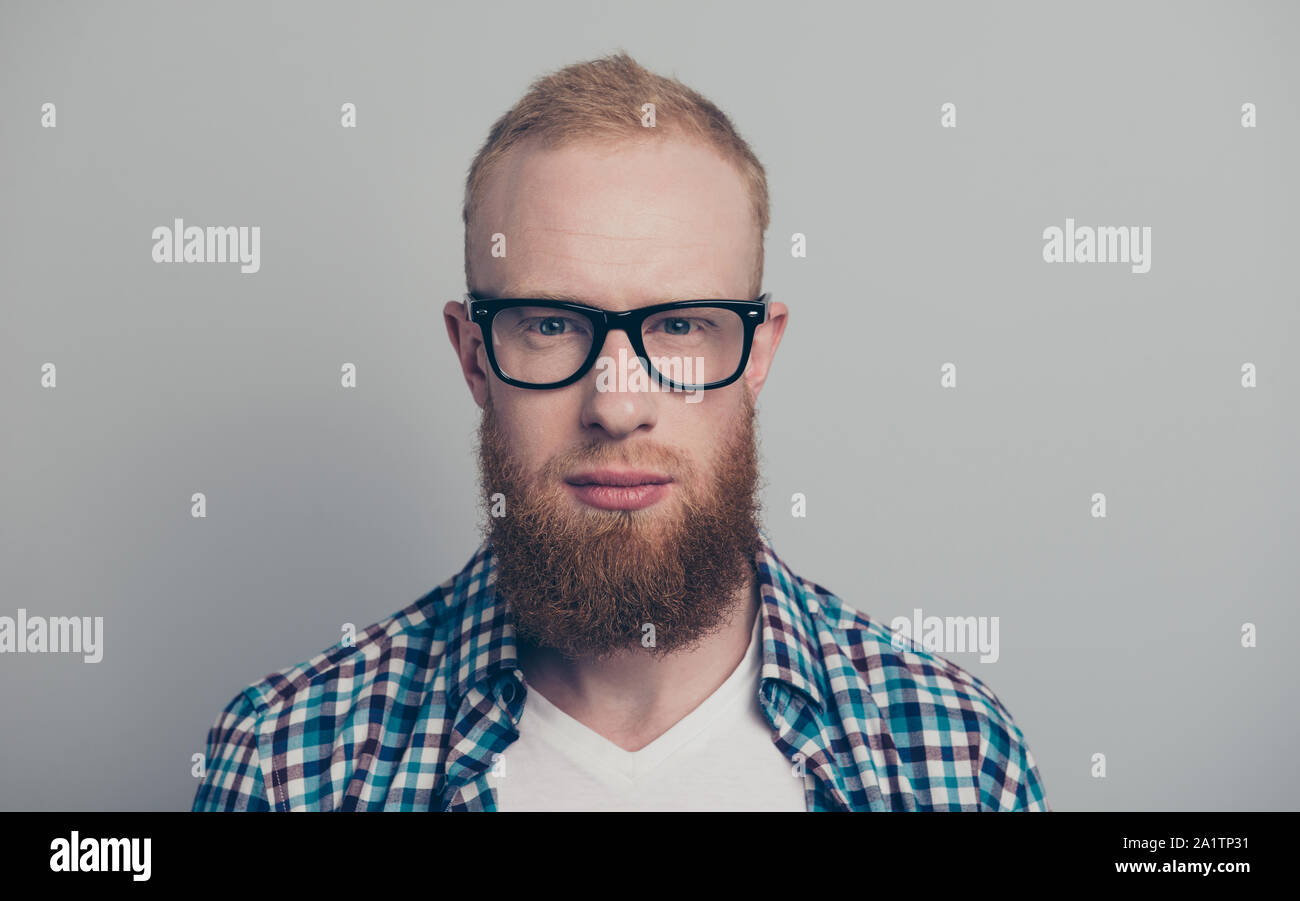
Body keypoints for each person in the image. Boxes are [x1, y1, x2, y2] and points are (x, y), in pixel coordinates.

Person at [193, 51, 1049, 811]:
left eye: (680, 327)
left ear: (759, 353)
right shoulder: (289, 764)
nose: (617, 403)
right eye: (552, 325)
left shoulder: (956, 759)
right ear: (473, 356)